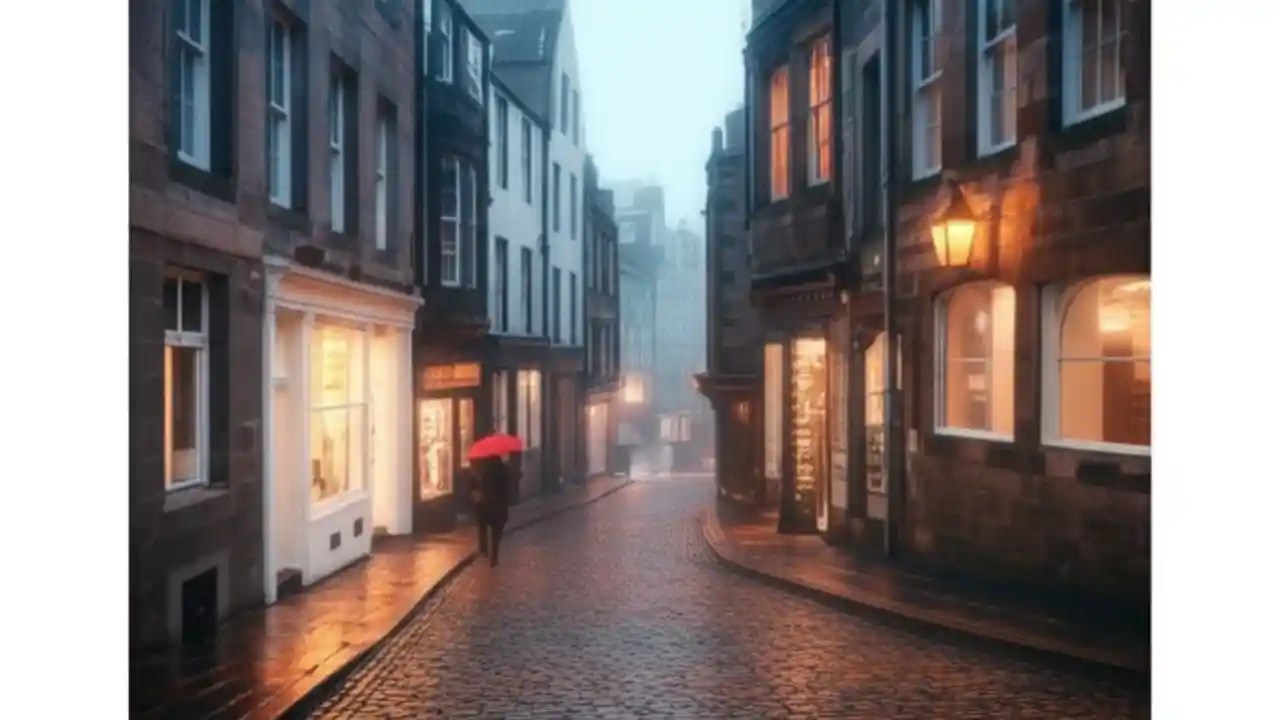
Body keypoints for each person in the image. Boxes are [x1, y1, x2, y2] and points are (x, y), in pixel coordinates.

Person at [475, 454, 514, 567]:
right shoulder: (503, 470)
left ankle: (484, 549)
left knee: (483, 525)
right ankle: (494, 557)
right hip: (499, 505)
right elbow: (507, 487)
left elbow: (482, 486)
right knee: (496, 532)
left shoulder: (485, 470)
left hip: (487, 504)